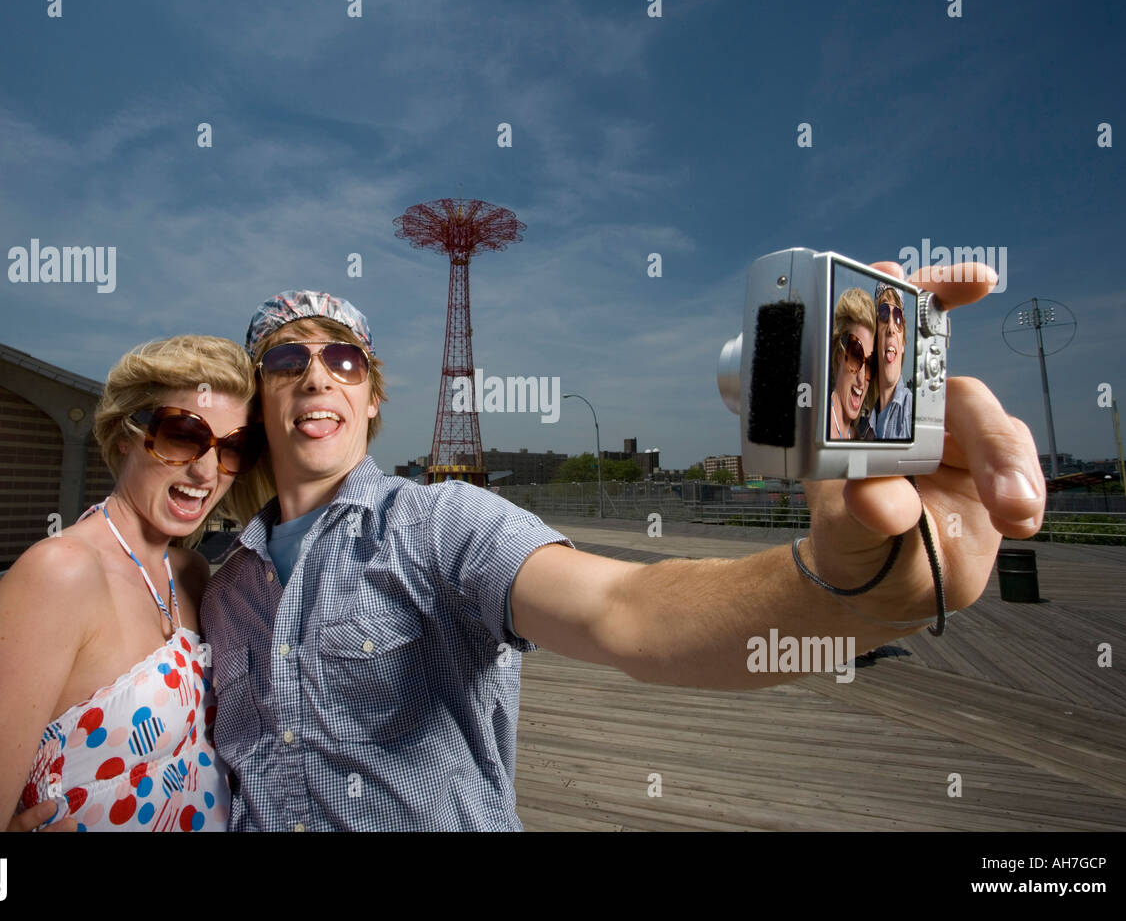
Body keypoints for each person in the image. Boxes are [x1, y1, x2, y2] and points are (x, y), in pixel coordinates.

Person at [205, 259, 1043, 831]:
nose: (319, 374)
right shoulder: (219, 591)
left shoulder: (437, 526)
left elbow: (625, 611)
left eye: (345, 359)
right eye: (287, 358)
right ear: (255, 400)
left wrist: (842, 589)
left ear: (373, 401)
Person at [0, 335, 263, 831]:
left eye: (233, 448)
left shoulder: (190, 574)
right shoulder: (60, 575)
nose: (206, 470)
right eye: (183, 435)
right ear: (126, 436)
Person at [828, 287, 877, 441]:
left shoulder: (855, 436)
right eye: (856, 356)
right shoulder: (815, 427)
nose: (862, 380)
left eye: (870, 364)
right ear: (838, 354)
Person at [870, 282, 914, 440]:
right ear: (875, 340)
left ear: (902, 344)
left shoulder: (913, 412)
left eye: (897, 317)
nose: (891, 327)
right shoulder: (866, 427)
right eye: (883, 314)